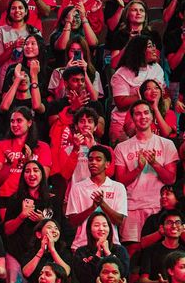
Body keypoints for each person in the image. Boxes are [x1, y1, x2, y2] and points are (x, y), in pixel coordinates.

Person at [113, 100, 179, 245]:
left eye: (146, 112)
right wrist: (138, 168)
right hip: (131, 208)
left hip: (158, 208)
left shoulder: (167, 144)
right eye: (137, 114)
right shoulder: (121, 148)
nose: (142, 117)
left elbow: (171, 179)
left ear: (152, 116)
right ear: (132, 118)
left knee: (158, 251)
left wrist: (155, 164)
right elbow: (120, 182)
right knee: (132, 251)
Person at [65, 146, 127, 252]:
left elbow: (119, 221)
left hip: (111, 245)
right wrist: (92, 207)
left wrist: (102, 204)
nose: (93, 162)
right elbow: (72, 222)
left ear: (107, 164)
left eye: (98, 159)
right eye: (90, 159)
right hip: (82, 245)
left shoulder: (118, 187)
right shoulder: (78, 187)